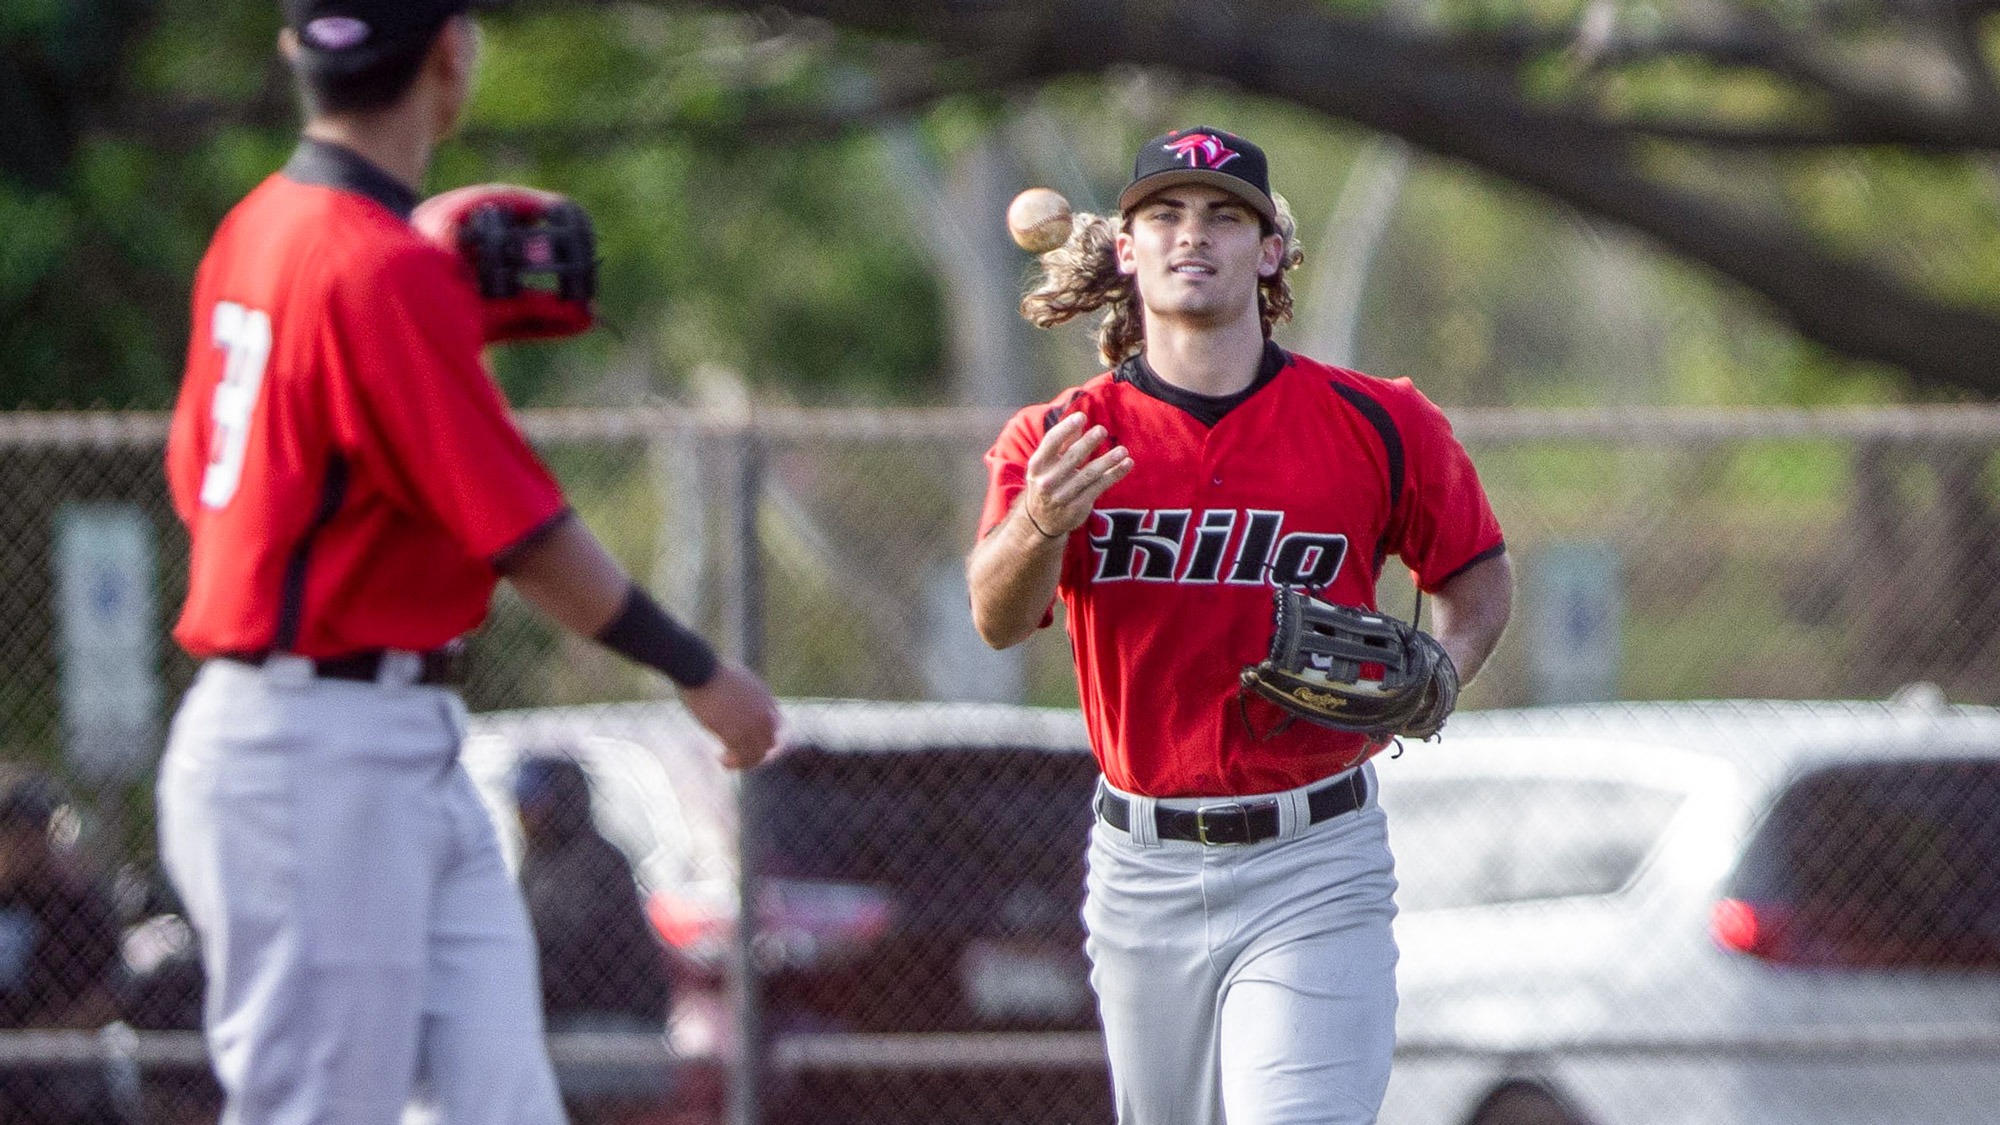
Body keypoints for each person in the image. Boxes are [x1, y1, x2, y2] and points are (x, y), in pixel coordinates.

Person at [157, 3, 782, 1124]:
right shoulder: (377, 268)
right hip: (315, 753)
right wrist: (699, 672)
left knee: (501, 1103)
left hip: (388, 738)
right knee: (320, 1109)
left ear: (295, 52)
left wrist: (427, 337)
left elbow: (213, 481)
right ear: (452, 54)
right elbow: (526, 537)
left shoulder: (257, 228)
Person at [966, 126, 1514, 1125]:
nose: (1194, 234)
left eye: (1225, 216)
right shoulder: (1060, 438)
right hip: (1140, 865)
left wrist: (1443, 663)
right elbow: (999, 620)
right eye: (1166, 214)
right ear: (1125, 249)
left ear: (1270, 251)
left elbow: (1475, 576)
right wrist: (1039, 523)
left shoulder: (1378, 421)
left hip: (1315, 856)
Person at [513, 756, 673, 1124]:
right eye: (521, 803)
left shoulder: (597, 862)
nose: (524, 814)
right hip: (562, 1021)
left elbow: (567, 955)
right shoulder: (535, 863)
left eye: (535, 803)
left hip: (614, 1024)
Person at [0, 764, 125, 1125]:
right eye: (13, 830)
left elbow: (109, 999)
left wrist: (35, 1040)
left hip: (60, 1063)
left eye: (35, 830)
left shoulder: (77, 906)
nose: (25, 843)